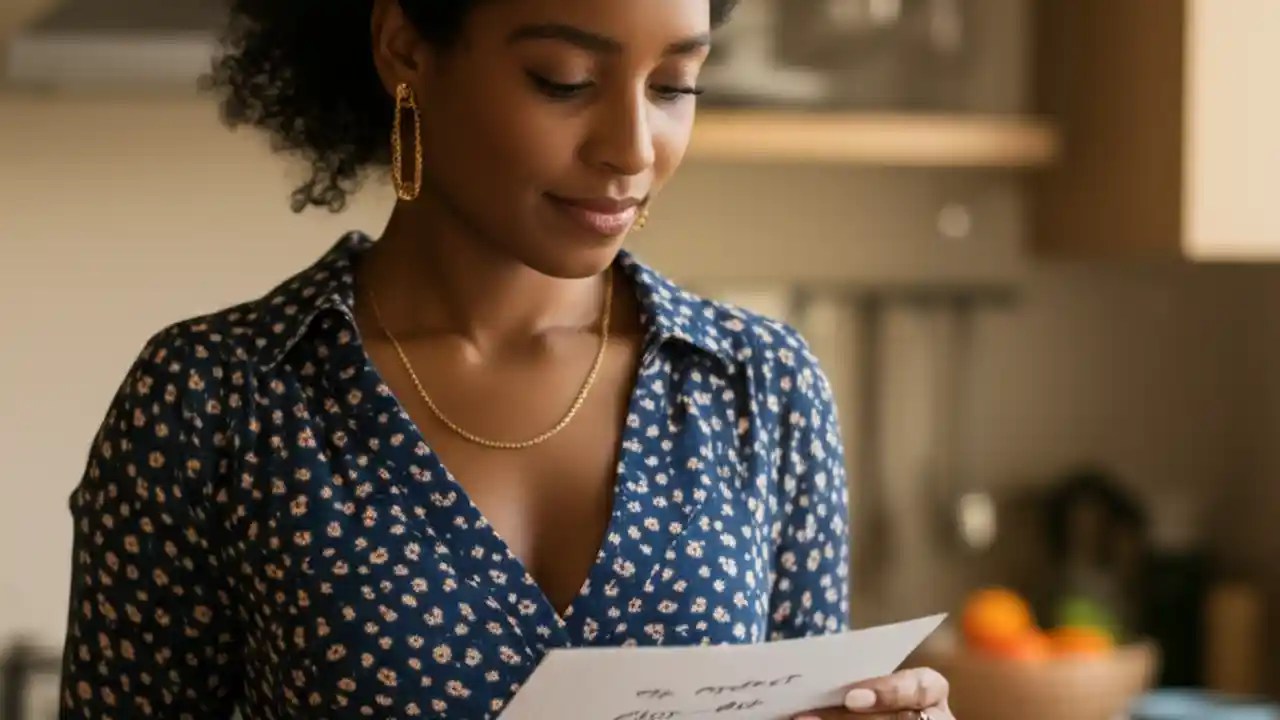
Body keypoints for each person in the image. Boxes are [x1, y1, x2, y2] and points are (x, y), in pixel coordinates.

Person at [56, 0, 954, 718]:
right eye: (562, 80)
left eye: (675, 84)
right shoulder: (214, 398)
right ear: (404, 46)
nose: (632, 149)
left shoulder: (760, 384)